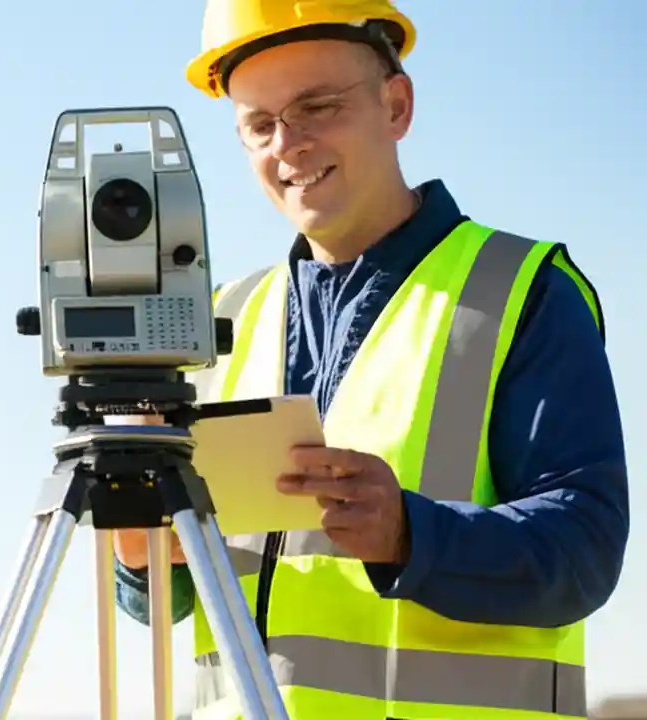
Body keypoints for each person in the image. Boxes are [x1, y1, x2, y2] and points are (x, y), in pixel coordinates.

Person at [110, 1, 629, 719]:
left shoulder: (521, 289)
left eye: (317, 107)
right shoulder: (221, 322)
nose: (287, 144)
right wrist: (141, 559)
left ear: (397, 103)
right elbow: (187, 591)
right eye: (259, 125)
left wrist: (412, 534)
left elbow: (584, 550)